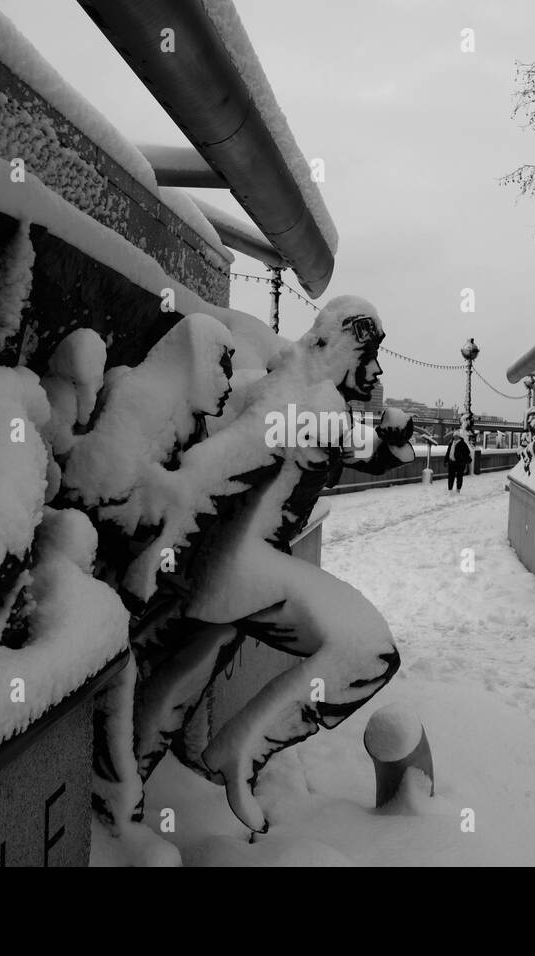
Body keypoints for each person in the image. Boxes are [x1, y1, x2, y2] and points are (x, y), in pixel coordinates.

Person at [103, 295, 410, 834]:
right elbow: (218, 467)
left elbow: (337, 458)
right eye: (371, 355)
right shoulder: (298, 404)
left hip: (233, 573)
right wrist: (159, 546)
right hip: (242, 570)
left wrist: (389, 449)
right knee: (368, 652)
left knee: (176, 688)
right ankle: (242, 753)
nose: (379, 370)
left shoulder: (311, 401)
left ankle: (119, 809)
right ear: (344, 352)